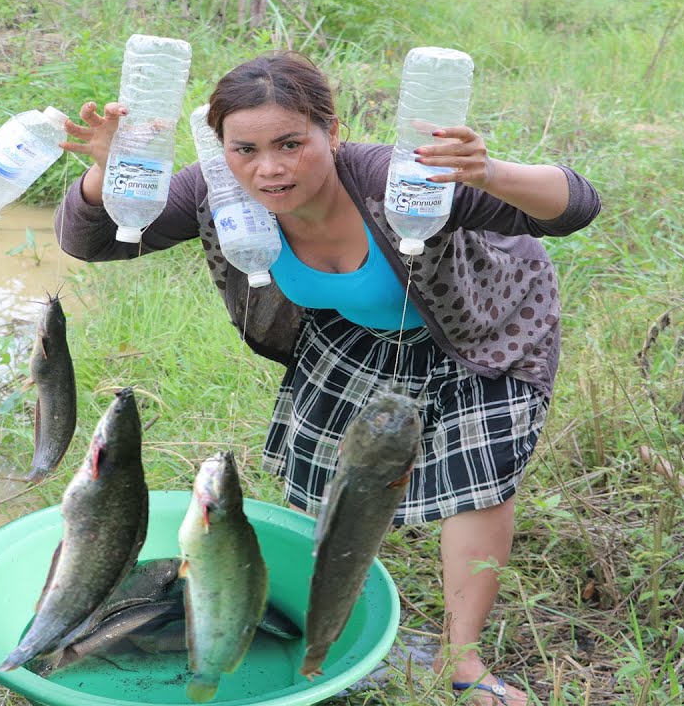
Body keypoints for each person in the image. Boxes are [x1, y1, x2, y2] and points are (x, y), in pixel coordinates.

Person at [54, 51, 600, 705]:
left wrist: (488, 172)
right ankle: (311, 625)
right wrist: (107, 175)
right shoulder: (217, 190)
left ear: (332, 133)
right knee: (318, 476)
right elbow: (94, 241)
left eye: (291, 144)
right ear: (222, 148)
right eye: (245, 148)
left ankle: (463, 661)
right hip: (356, 326)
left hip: (483, 327)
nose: (270, 168)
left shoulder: (397, 180)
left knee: (476, 487)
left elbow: (574, 207)